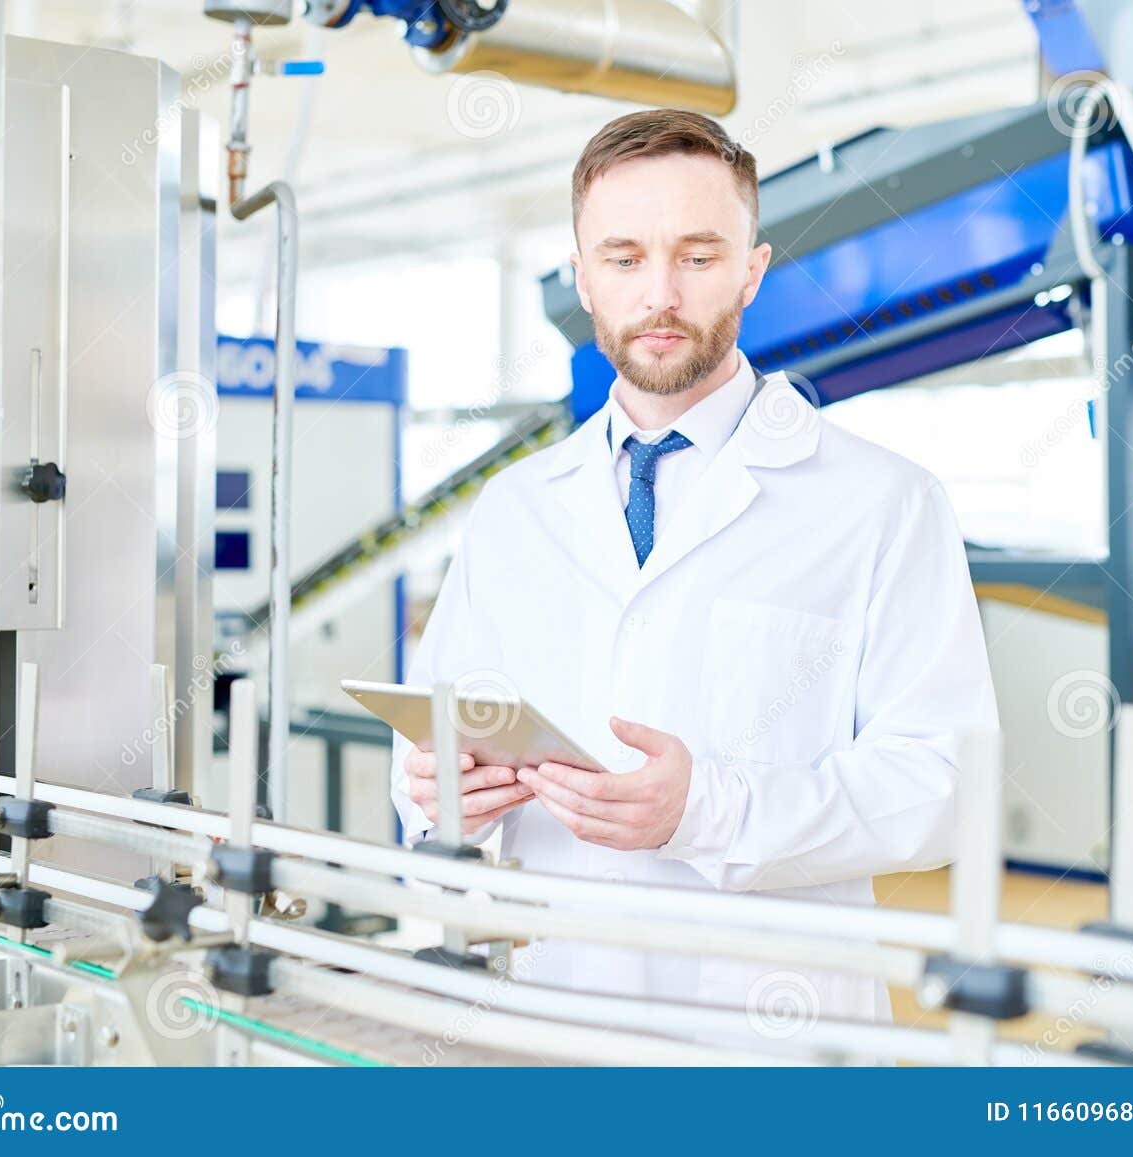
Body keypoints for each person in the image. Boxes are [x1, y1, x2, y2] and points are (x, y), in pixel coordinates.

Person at [390, 107, 998, 1040]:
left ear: (753, 270)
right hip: (546, 1014)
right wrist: (440, 794)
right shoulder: (516, 509)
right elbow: (432, 736)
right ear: (584, 278)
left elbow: (941, 785)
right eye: (624, 258)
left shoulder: (883, 502)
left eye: (699, 256)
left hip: (764, 1037)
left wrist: (709, 808)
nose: (660, 294)